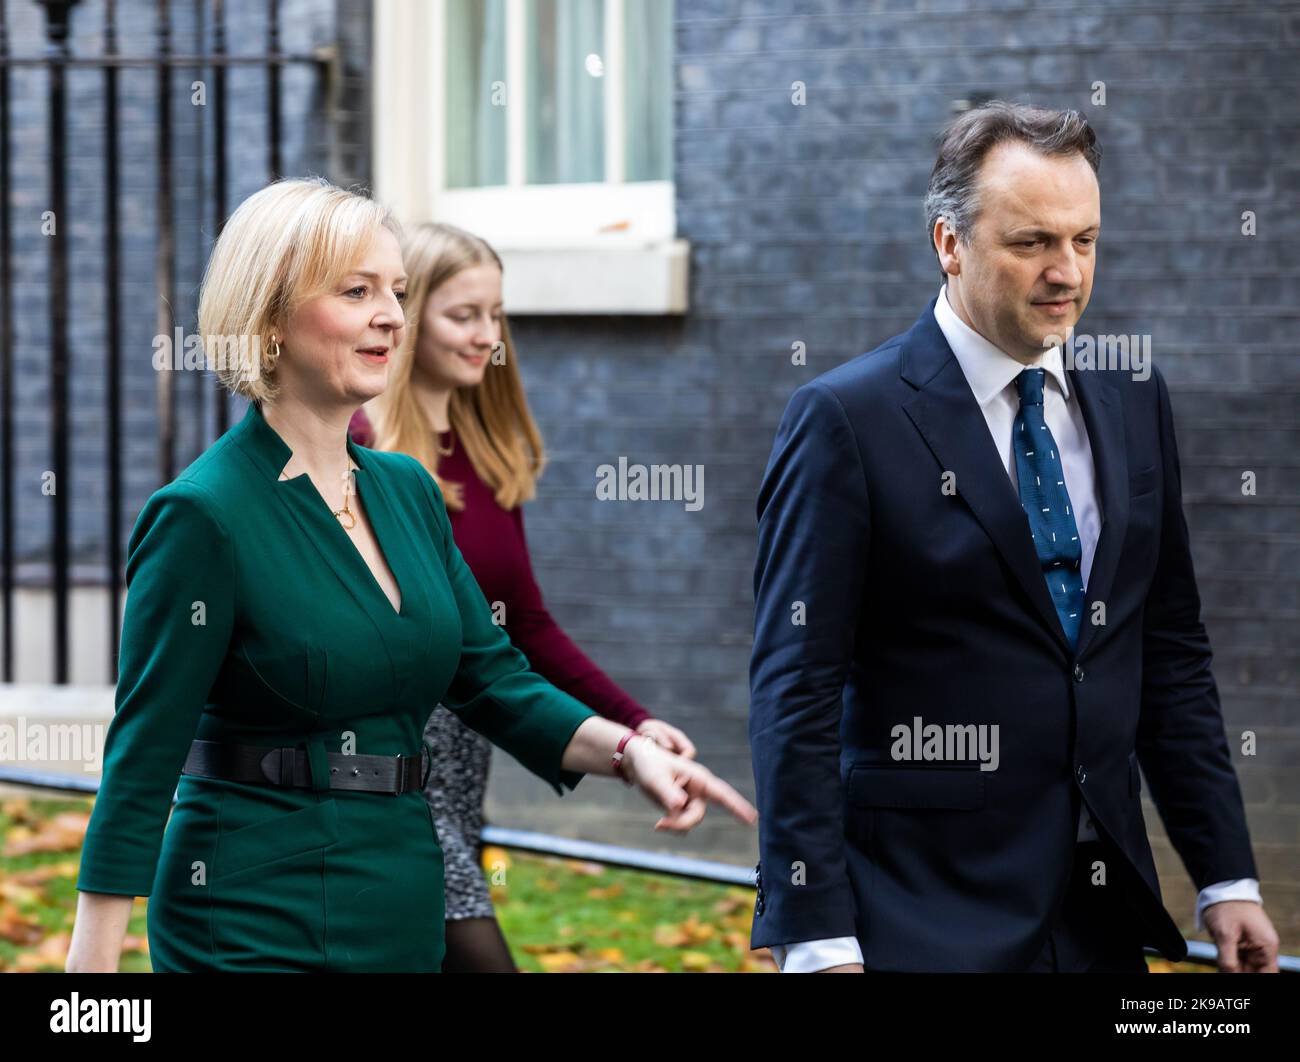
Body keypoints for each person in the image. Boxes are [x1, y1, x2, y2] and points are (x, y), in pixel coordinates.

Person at [66, 177, 755, 973]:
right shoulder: (204, 516)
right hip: (250, 907)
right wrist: (91, 984)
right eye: (357, 291)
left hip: (398, 892)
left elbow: (492, 676)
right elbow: (143, 757)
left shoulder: (408, 491)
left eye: (396, 290)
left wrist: (631, 753)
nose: (391, 314)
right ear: (269, 317)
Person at [748, 102, 1279, 973]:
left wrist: (1226, 877)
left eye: (1086, 240)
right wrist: (813, 934)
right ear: (949, 244)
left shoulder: (1134, 394)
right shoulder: (846, 418)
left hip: (1101, 914)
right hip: (917, 917)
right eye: (1032, 242)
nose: (1065, 271)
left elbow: (1169, 653)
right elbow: (794, 688)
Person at [348, 222, 698, 972]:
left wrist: (635, 724)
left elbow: (524, 626)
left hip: (471, 765)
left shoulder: (485, 448)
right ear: (410, 321)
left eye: (495, 315)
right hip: (389, 777)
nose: (486, 335)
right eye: (463, 315)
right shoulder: (359, 445)